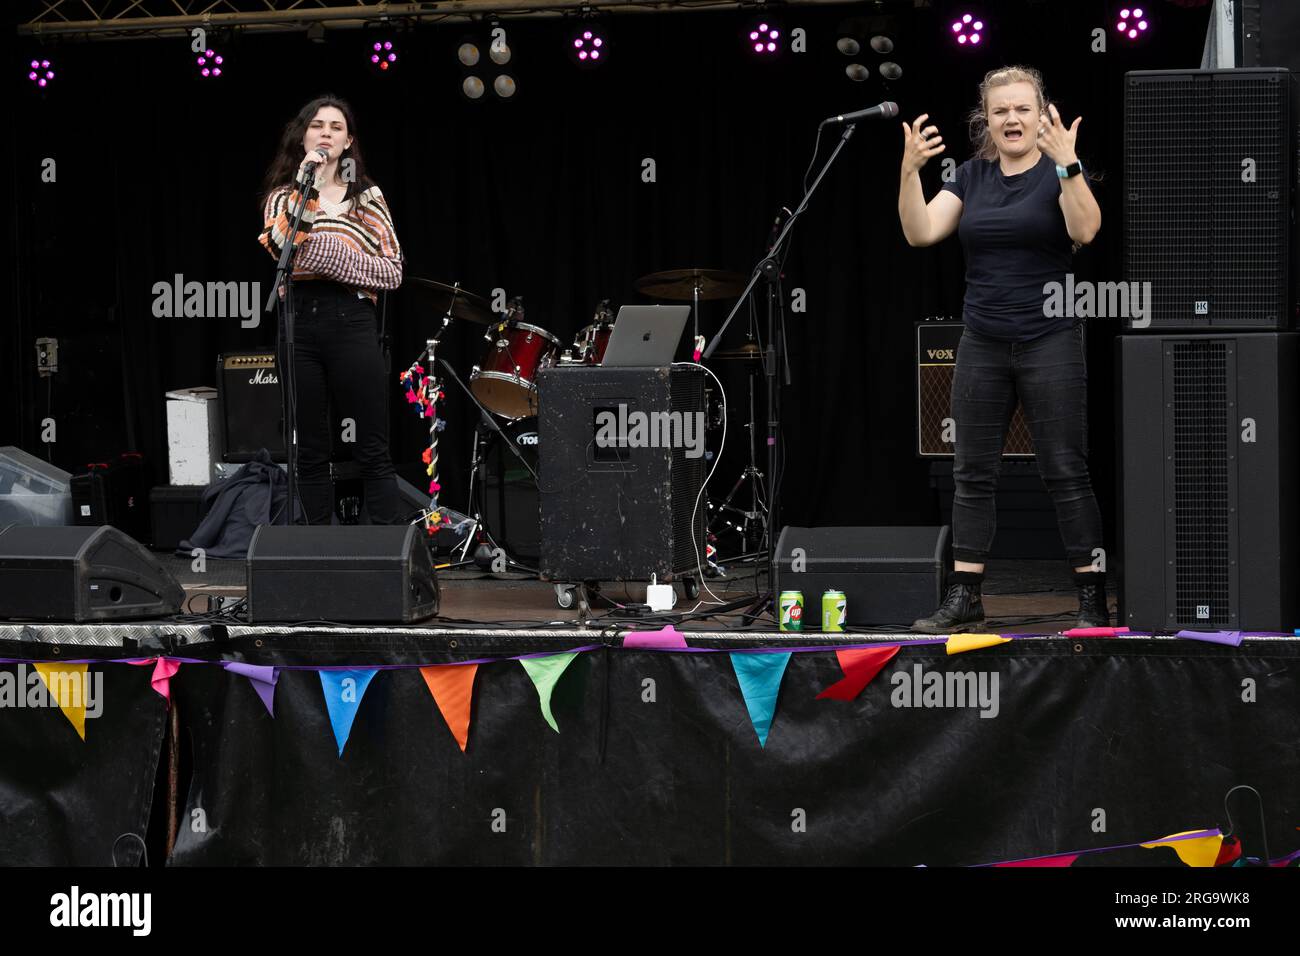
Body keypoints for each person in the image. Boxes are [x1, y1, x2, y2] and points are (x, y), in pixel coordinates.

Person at [897, 65, 1107, 632]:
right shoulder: (970, 176)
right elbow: (920, 232)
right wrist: (910, 172)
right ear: (985, 120)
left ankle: (1091, 597)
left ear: (1042, 114)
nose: (1011, 119)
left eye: (1022, 108)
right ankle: (966, 596)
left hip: (1050, 339)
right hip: (983, 341)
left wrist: (1069, 163)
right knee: (972, 473)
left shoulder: (1060, 171)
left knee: (1064, 469)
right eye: (999, 111)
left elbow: (1086, 230)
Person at [258, 94, 404, 526]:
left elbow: (392, 271)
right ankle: (316, 550)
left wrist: (332, 258)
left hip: (352, 321)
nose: (326, 132)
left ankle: (385, 551)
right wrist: (312, 186)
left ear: (348, 142)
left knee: (372, 444)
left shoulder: (367, 198)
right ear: (303, 138)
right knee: (309, 447)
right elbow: (283, 248)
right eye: (317, 125)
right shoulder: (285, 196)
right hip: (298, 322)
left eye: (336, 127)